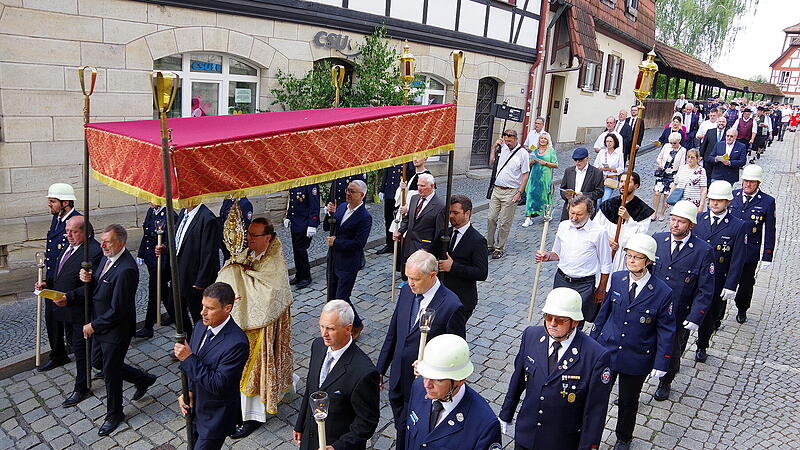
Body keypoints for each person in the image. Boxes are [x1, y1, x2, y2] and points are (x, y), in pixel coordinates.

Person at [590, 233, 675, 450]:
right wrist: (591, 344)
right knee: (597, 396)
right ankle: (591, 433)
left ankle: (624, 437)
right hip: (608, 350)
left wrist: (661, 363)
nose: (631, 261)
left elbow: (666, 331)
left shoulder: (662, 292)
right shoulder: (618, 279)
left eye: (637, 257)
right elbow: (604, 314)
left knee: (628, 401)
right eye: (629, 256)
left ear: (648, 261)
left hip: (635, 357)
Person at [500, 288, 612, 450]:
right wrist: (506, 413)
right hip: (527, 434)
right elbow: (517, 380)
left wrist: (589, 447)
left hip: (561, 441)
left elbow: (595, 411)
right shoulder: (531, 336)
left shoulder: (595, 356)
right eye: (548, 317)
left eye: (559, 320)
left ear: (575, 322)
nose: (552, 323)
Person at [377, 250, 466, 449]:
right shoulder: (407, 291)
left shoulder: (451, 306)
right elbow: (394, 332)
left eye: (415, 279)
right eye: (408, 277)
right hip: (399, 378)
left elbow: (456, 353)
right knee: (401, 427)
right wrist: (380, 369)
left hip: (426, 387)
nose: (410, 282)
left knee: (416, 432)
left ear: (432, 275)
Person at [215, 218, 294, 438]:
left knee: (255, 370)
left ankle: (252, 417)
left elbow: (270, 294)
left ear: (267, 238)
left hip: (263, 327)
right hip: (244, 322)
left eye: (253, 236)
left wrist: (245, 276)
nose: (248, 239)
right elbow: (237, 271)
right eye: (248, 234)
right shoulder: (248, 253)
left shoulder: (275, 262)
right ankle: (236, 408)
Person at [80, 224, 158, 436]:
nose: (102, 245)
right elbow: (99, 286)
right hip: (101, 325)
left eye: (108, 242)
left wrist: (93, 326)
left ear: (121, 243)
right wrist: (87, 279)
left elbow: (118, 310)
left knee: (111, 373)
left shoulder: (126, 269)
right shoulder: (108, 258)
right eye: (103, 240)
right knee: (98, 362)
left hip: (116, 330)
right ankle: (143, 379)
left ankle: (115, 414)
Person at [293, 300, 380, 450]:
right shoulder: (318, 346)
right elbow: (311, 389)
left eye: (330, 329)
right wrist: (300, 424)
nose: (324, 333)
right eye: (321, 326)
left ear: (348, 329)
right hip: (309, 439)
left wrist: (337, 447)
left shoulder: (364, 372)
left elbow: (367, 421)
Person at [649, 201, 714, 402]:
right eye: (673, 220)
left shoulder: (703, 251)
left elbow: (705, 288)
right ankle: (635, 382)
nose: (675, 225)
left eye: (681, 222)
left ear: (691, 225)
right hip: (652, 307)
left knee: (672, 347)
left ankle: (666, 381)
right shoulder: (657, 240)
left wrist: (696, 316)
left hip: (679, 311)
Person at [35, 216, 102, 407]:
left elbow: (92, 286)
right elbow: (63, 273)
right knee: (75, 344)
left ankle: (82, 387)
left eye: (74, 232)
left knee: (81, 351)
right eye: (67, 231)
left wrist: (70, 298)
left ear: (85, 232)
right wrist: (47, 284)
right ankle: (103, 366)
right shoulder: (69, 245)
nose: (68, 235)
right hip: (66, 310)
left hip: (81, 311)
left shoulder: (93, 251)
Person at [175, 282, 250, 450]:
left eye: (210, 308)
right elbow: (192, 365)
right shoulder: (201, 326)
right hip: (195, 409)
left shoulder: (236, 343)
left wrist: (188, 358)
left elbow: (218, 384)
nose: (203, 312)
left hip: (215, 417)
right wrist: (188, 390)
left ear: (227, 308)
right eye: (203, 306)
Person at [406, 334, 502, 450]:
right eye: (426, 375)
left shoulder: (484, 424)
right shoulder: (418, 388)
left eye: (438, 380)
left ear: (460, 380)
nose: (427, 385)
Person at [535, 194, 612, 324]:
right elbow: (557, 254)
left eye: (579, 214)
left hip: (584, 285)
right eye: (572, 213)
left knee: (575, 321)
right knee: (557, 315)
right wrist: (546, 256)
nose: (574, 218)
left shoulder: (599, 232)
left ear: (589, 213)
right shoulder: (563, 226)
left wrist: (601, 289)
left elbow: (606, 264)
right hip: (562, 280)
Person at [692, 181, 746, 364]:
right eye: (712, 200)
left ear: (728, 202)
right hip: (693, 277)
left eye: (719, 201)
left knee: (708, 315)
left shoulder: (737, 226)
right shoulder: (699, 220)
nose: (715, 203)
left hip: (716, 279)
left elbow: (737, 259)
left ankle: (702, 344)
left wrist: (731, 285)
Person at [40, 182, 82, 371]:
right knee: (52, 317)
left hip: (68, 280)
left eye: (53, 201)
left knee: (72, 318)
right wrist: (46, 279)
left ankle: (82, 352)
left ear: (65, 202)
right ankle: (58, 354)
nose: (49, 204)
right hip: (53, 278)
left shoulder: (76, 221)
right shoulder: (57, 218)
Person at [164, 202, 220, 338]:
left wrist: (201, 281)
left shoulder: (208, 219)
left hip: (195, 278)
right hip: (179, 273)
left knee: (198, 315)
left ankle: (201, 342)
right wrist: (165, 247)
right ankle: (189, 336)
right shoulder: (184, 213)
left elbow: (209, 254)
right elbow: (179, 238)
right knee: (174, 307)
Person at [324, 179, 371, 338]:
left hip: (348, 263)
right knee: (332, 294)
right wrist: (329, 213)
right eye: (347, 190)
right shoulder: (342, 207)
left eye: (352, 192)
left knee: (342, 297)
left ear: (362, 195)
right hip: (333, 259)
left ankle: (356, 323)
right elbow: (328, 226)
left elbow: (359, 243)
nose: (348, 194)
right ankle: (335, 323)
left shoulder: (364, 217)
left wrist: (337, 242)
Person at [729, 165, 776, 323]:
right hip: (729, 249)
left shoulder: (767, 202)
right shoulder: (732, 196)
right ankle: (716, 316)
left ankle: (742, 308)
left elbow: (770, 230)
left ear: (758, 183)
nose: (748, 185)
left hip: (749, 252)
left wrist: (767, 256)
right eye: (746, 181)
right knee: (722, 282)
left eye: (752, 182)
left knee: (746, 285)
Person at [435, 195, 488, 321]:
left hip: (461, 299)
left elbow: (481, 273)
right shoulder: (444, 233)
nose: (451, 216)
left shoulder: (477, 240)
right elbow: (432, 253)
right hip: (441, 295)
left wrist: (453, 267)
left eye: (456, 213)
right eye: (450, 212)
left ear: (467, 213)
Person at [595, 172, 654, 273]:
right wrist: (608, 239)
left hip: (623, 257)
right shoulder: (608, 205)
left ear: (636, 186)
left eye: (628, 182)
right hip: (605, 252)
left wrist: (628, 219)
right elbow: (595, 227)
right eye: (621, 181)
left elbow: (640, 236)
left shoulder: (643, 210)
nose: (623, 184)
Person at [136, 203, 177, 338]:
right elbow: (146, 233)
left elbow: (172, 239)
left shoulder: (170, 214)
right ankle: (174, 315)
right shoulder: (151, 211)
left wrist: (164, 248)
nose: (150, 202)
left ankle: (148, 327)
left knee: (154, 290)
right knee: (162, 290)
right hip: (151, 259)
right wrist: (141, 254)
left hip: (162, 261)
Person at [486, 130, 529, 259]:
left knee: (505, 221)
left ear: (516, 139)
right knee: (491, 218)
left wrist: (519, 192)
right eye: (506, 140)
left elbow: (525, 174)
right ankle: (489, 245)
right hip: (497, 189)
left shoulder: (523, 154)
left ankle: (499, 247)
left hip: (511, 191)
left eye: (510, 141)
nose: (508, 143)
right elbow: (491, 162)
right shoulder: (502, 149)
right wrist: (494, 148)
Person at [394, 173, 446, 272]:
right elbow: (407, 218)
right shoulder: (414, 198)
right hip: (409, 244)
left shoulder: (440, 206)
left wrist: (432, 252)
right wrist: (400, 231)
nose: (419, 188)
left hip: (424, 248)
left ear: (432, 186)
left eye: (422, 186)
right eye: (418, 185)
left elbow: (439, 233)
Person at [285, 184, 320, 289]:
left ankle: (306, 277)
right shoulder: (295, 182)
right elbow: (292, 202)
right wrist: (288, 217)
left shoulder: (310, 184)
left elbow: (314, 204)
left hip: (305, 224)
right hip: (296, 223)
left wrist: (313, 224)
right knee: (296, 250)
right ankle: (299, 274)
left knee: (301, 250)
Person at [522, 131, 558, 227]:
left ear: (548, 141)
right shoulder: (534, 150)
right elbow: (528, 165)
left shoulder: (551, 151)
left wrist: (545, 163)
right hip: (534, 177)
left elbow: (556, 164)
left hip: (545, 178)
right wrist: (531, 162)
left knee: (544, 196)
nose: (543, 140)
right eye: (541, 138)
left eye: (545, 139)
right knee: (530, 195)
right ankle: (528, 218)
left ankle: (546, 214)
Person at [377, 162, 414, 255]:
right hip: (389, 193)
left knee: (399, 220)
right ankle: (389, 244)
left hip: (400, 196)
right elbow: (386, 174)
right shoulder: (392, 158)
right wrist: (382, 189)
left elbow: (409, 178)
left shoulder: (407, 162)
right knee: (388, 220)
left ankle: (398, 243)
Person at [559, 147, 604, 221]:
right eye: (575, 160)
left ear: (587, 158)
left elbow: (600, 192)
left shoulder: (596, 173)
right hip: (570, 209)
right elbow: (563, 188)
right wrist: (566, 195)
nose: (577, 162)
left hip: (586, 209)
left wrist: (583, 195)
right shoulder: (569, 171)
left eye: (580, 160)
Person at [219, 197, 253, 262]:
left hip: (237, 244)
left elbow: (245, 226)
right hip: (227, 240)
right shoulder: (227, 200)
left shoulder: (245, 204)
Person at [595, 132, 625, 204]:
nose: (609, 143)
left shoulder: (619, 154)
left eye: (611, 141)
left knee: (605, 199)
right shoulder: (602, 152)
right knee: (598, 200)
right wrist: (600, 168)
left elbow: (621, 169)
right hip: (601, 178)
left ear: (615, 142)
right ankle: (597, 214)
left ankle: (602, 214)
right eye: (607, 141)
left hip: (611, 178)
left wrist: (612, 170)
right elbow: (595, 164)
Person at [698, 116, 728, 184]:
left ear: (726, 123)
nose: (721, 123)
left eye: (723, 122)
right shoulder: (710, 131)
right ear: (717, 122)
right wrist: (701, 155)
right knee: (707, 178)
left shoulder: (728, 133)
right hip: (709, 159)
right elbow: (704, 144)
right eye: (720, 121)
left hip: (722, 160)